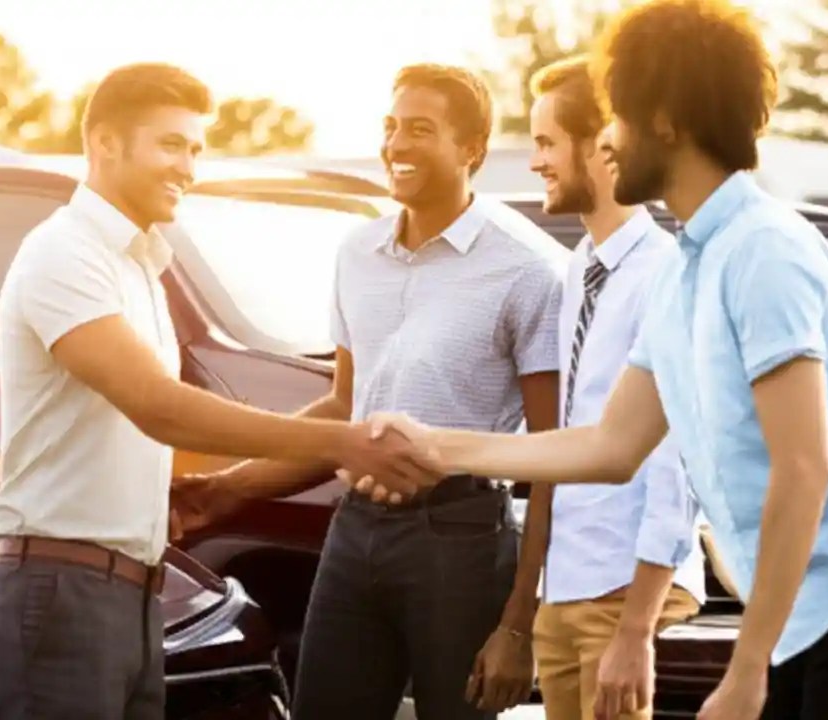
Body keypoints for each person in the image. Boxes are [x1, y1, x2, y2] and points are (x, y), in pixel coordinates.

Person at [353, 2, 828, 719]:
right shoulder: (682, 271)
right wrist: (435, 445)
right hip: (804, 612)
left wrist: (746, 667)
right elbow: (612, 445)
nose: (606, 142)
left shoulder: (765, 248)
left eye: (617, 117)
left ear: (666, 120)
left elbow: (805, 467)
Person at [0, 62, 436, 720]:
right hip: (63, 593)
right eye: (171, 144)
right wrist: (343, 440)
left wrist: (217, 490)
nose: (188, 167)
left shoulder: (138, 264)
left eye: (195, 148)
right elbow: (159, 405)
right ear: (105, 144)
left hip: (129, 592)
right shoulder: (64, 255)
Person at [180, 63, 567, 720]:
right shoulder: (357, 253)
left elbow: (557, 458)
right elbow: (342, 408)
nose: (397, 146)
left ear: (471, 148)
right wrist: (226, 488)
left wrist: (518, 625)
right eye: (391, 127)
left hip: (462, 538)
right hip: (354, 529)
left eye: (420, 129)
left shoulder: (526, 271)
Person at [522, 56, 705, 720]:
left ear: (601, 147)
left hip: (621, 589)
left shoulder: (666, 274)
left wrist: (635, 625)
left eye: (545, 142)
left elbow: (674, 456)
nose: (534, 161)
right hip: (566, 585)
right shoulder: (580, 268)